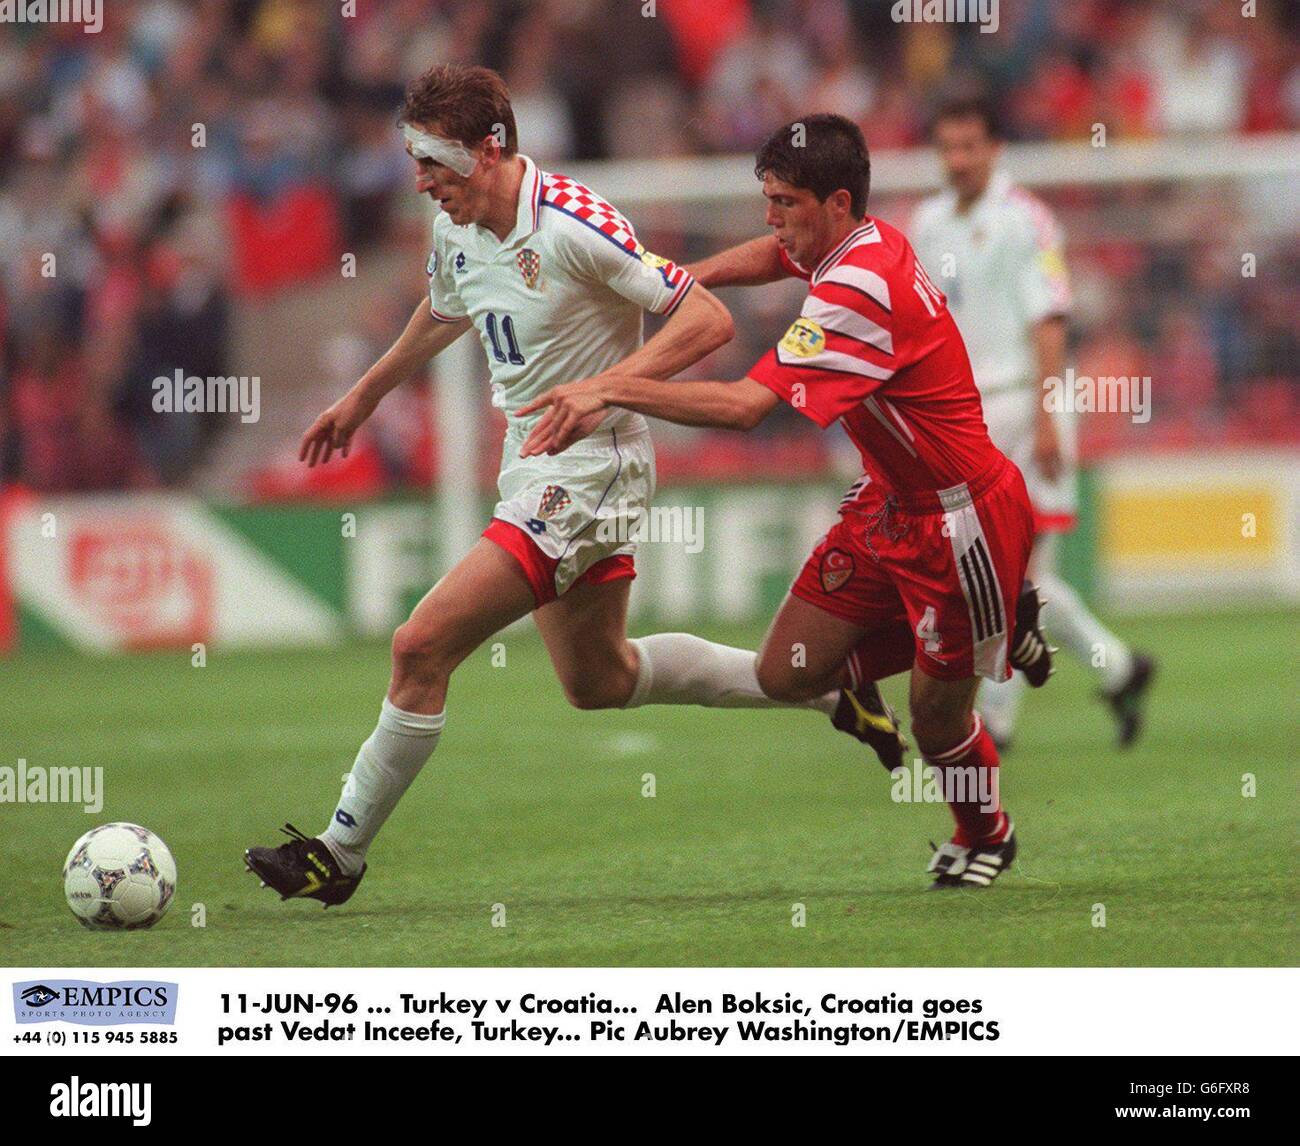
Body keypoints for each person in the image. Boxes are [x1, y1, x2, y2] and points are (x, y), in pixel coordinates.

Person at [245, 68, 904, 907]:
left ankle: (338, 853)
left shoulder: (574, 224)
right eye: (414, 161)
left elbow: (707, 317)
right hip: (533, 459)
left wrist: (606, 388)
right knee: (600, 681)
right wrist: (364, 396)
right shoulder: (456, 221)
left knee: (420, 645)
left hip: (594, 469)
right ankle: (826, 688)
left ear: (490, 151)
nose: (421, 181)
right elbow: (447, 306)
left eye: (434, 163)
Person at [520, 114, 1053, 889]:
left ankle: (988, 833)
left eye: (786, 202)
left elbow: (743, 408)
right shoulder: (853, 240)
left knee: (936, 718)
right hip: (889, 506)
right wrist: (684, 278)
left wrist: (608, 388)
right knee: (788, 672)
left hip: (959, 519)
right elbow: (777, 254)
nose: (772, 218)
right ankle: (1004, 615)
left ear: (837, 203)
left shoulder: (858, 289)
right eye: (766, 198)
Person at [910, 94, 1155, 749]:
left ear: (995, 148)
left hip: (1023, 405)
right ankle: (1120, 667)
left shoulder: (1027, 222)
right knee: (1010, 578)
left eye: (970, 146)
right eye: (948, 147)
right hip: (962, 416)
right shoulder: (929, 221)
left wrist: (1048, 418)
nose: (958, 160)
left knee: (1005, 576)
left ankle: (996, 723)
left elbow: (1048, 320)